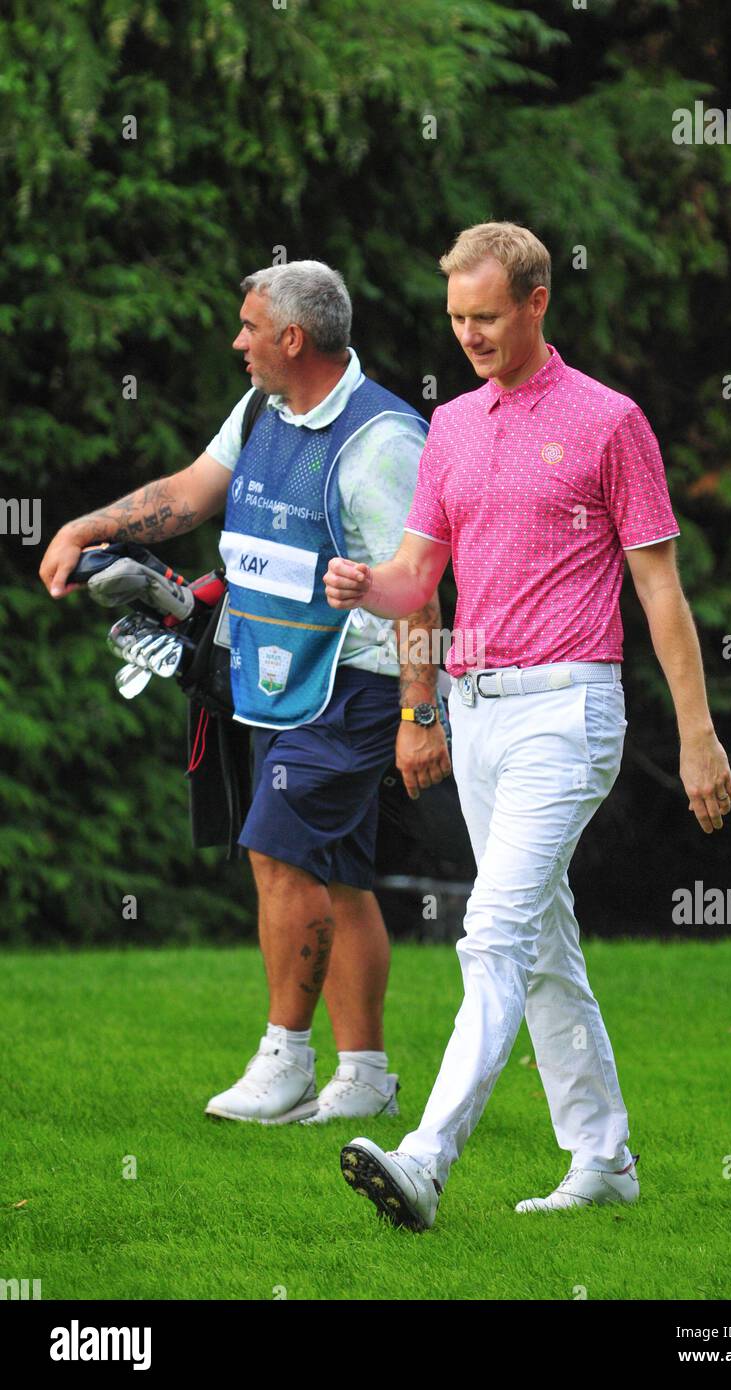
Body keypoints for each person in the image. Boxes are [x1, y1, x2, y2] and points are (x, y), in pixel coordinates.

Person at [324, 222, 731, 1229]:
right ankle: (601, 1158)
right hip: (474, 714)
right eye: (456, 317)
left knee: (493, 930)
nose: (468, 333)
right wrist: (366, 585)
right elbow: (418, 579)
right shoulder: (453, 426)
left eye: (486, 315)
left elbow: (659, 590)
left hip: (569, 710)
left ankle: (424, 1157)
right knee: (544, 943)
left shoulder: (610, 422)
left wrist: (697, 735)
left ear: (536, 301)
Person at [40, 260, 452, 1126]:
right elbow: (194, 493)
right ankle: (367, 1075)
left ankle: (285, 1061)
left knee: (277, 849)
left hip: (356, 680)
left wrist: (421, 713)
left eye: (249, 327)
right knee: (336, 872)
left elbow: (420, 586)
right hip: (272, 674)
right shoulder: (266, 407)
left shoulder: (382, 441)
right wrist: (90, 527)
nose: (237, 341)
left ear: (291, 339)